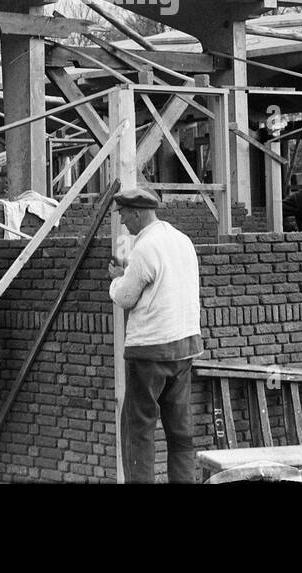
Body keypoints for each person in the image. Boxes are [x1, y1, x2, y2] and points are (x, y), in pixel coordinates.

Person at [107, 186, 202, 484]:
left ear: (137, 213)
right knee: (180, 429)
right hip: (185, 345)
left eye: (124, 214)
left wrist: (116, 279)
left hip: (150, 350)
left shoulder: (144, 247)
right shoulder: (183, 240)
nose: (123, 222)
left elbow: (125, 297)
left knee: (138, 429)